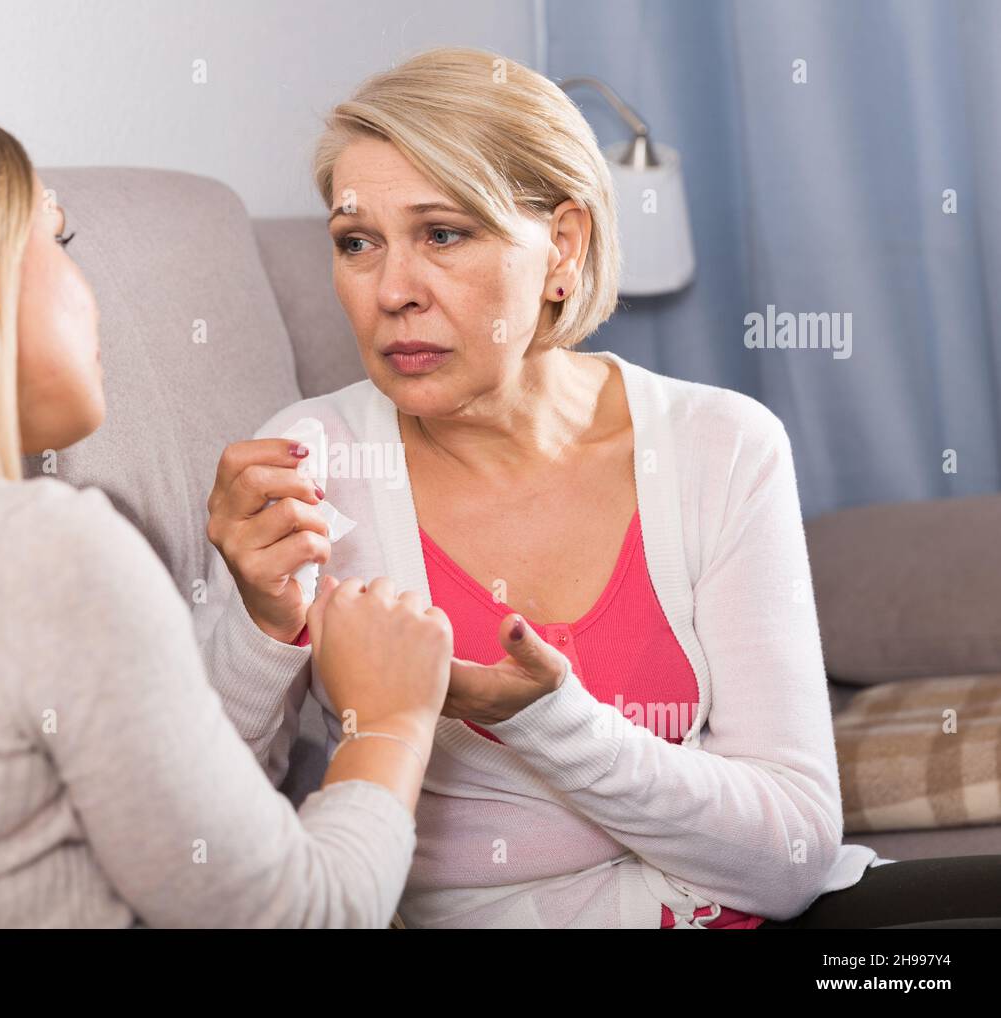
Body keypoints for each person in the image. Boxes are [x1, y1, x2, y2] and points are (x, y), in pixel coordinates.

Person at [196, 46, 1001, 929]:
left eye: (444, 233)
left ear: (562, 249)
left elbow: (794, 857)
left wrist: (552, 720)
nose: (392, 291)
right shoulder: (307, 468)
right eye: (357, 243)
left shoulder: (721, 446)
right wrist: (260, 623)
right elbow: (204, 842)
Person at [0, 92, 454, 928]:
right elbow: (302, 913)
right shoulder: (49, 551)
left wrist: (262, 627)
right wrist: (389, 720)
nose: (90, 289)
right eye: (55, 239)